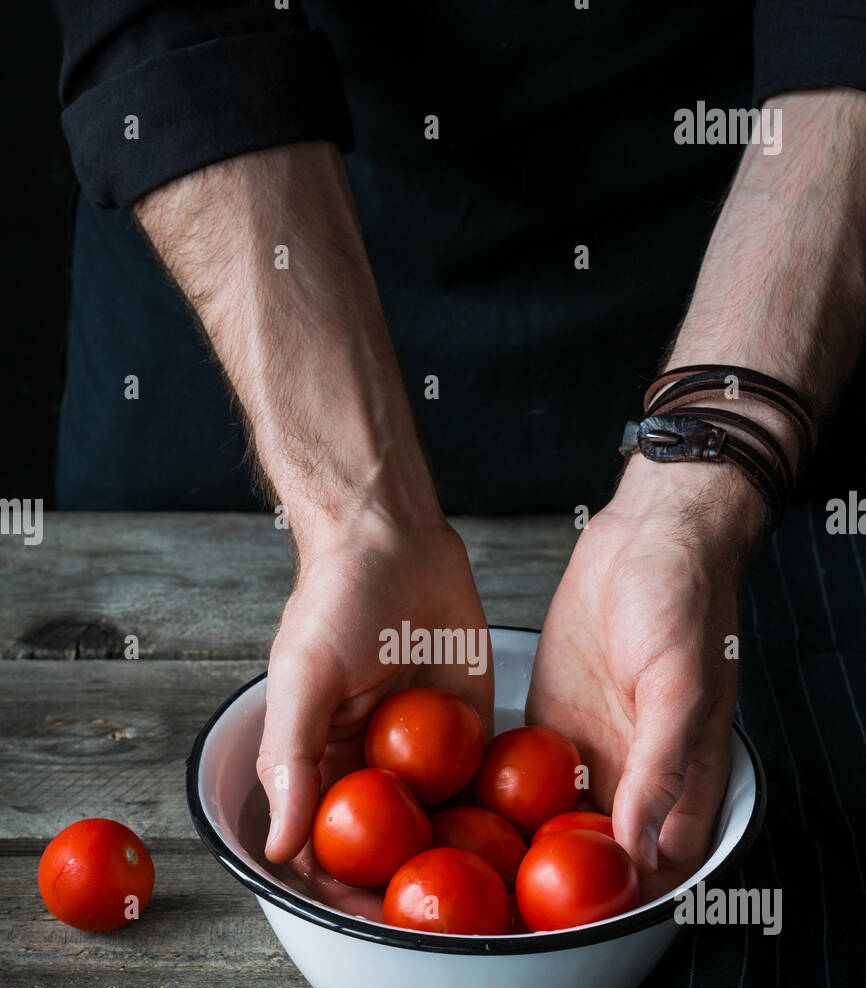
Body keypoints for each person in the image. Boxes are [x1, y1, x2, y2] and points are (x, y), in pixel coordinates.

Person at [53, 1, 866, 907]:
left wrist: (688, 506)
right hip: (249, 262)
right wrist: (355, 518)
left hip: (723, 254)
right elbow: (169, 21)